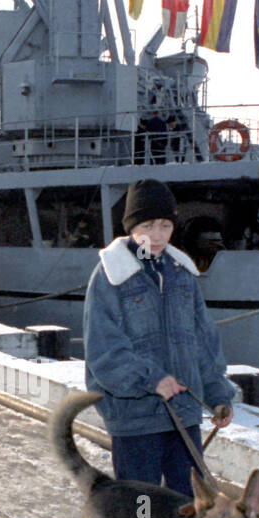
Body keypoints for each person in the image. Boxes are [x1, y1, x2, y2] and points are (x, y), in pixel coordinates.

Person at [82, 179, 235, 498]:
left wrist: (219, 396)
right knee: (142, 509)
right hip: (135, 419)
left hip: (184, 416)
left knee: (188, 506)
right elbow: (104, 352)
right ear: (131, 228)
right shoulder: (111, 276)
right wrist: (151, 380)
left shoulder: (183, 275)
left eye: (165, 225)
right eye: (147, 225)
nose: (157, 235)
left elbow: (204, 343)